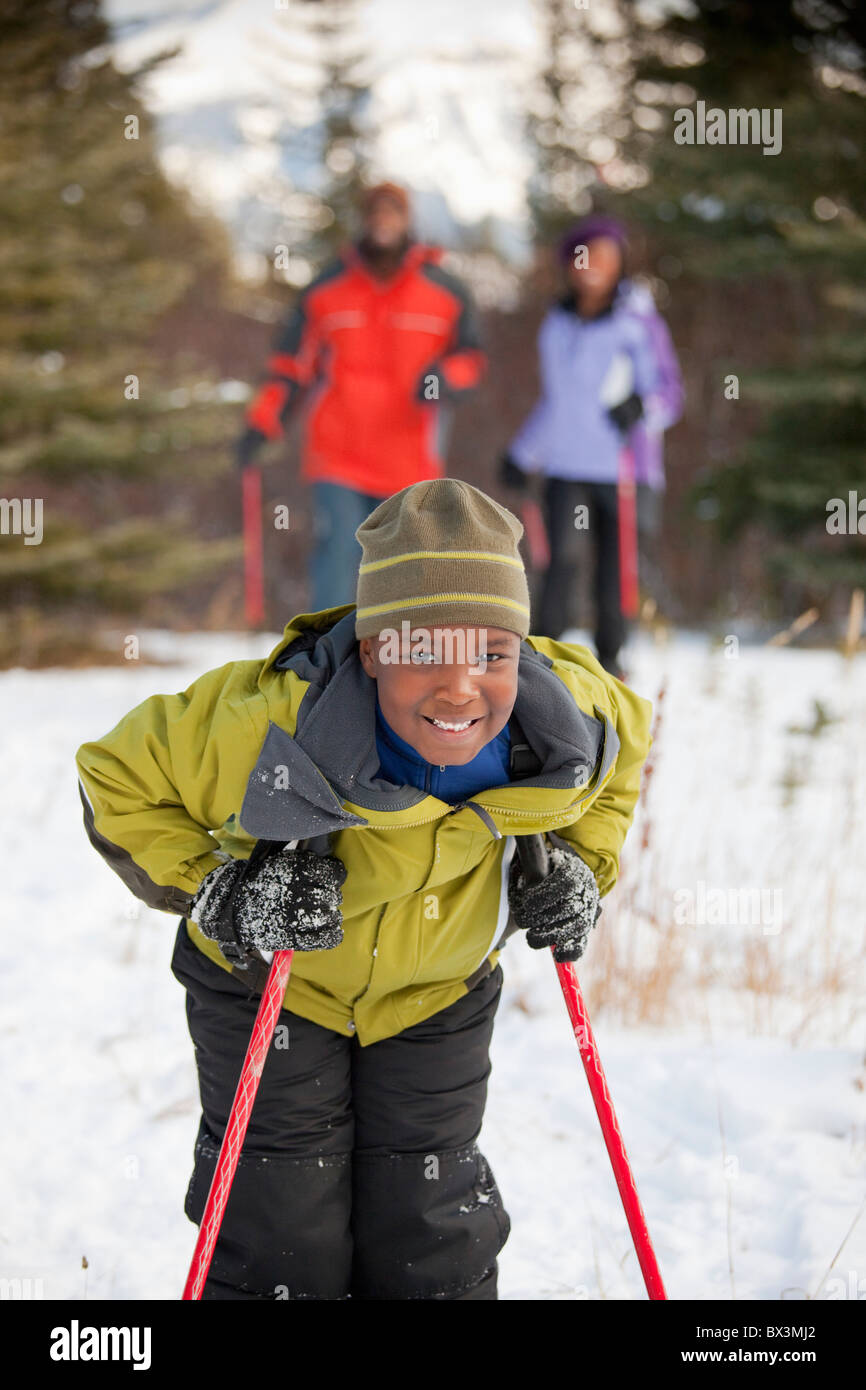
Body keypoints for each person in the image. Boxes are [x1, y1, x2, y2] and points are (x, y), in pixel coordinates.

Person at [75, 478, 653, 1301]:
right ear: (377, 648)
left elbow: (626, 749)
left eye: (492, 653)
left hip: (436, 995)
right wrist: (226, 892)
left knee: (434, 1225)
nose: (462, 688)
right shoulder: (269, 723)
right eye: (425, 650)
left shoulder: (560, 724)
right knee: (282, 1226)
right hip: (274, 985)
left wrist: (577, 869)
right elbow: (114, 779)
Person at [236, 181, 486, 611]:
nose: (383, 222)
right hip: (338, 451)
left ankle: (399, 665)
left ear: (407, 222)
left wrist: (443, 378)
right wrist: (262, 422)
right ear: (364, 221)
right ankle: (328, 661)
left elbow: (471, 358)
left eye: (393, 213)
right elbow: (290, 365)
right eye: (376, 213)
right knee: (337, 553)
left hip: (409, 454)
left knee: (402, 564)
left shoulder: (445, 291)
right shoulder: (326, 288)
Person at [500, 215, 683, 678]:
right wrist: (523, 454)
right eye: (584, 257)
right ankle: (540, 659)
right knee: (557, 561)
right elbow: (558, 404)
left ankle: (612, 663)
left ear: (619, 262)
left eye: (604, 255)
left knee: (614, 569)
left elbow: (670, 392)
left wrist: (642, 406)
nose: (592, 266)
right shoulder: (557, 325)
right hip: (566, 466)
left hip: (626, 468)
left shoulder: (639, 321)